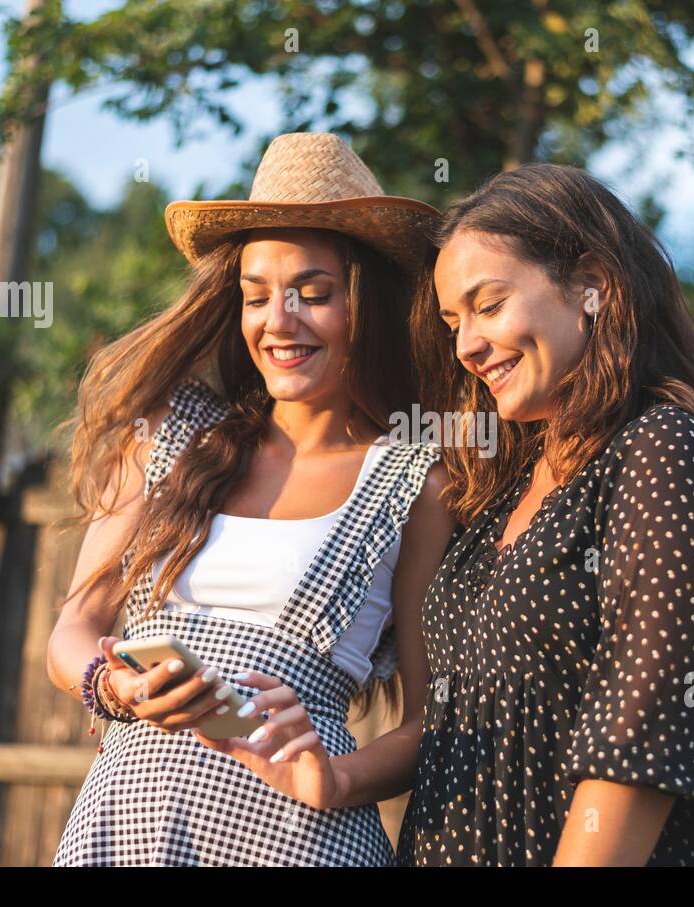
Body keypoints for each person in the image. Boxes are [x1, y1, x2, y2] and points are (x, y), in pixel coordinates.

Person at [48, 132, 454, 866]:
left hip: (300, 841)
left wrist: (335, 780)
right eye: (256, 296)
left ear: (366, 301)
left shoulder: (414, 479)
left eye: (314, 293)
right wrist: (116, 687)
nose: (279, 321)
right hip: (128, 825)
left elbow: (428, 722)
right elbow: (74, 625)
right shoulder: (171, 436)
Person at [395, 163, 694, 865]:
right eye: (454, 322)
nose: (466, 346)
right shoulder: (500, 499)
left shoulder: (665, 453)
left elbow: (643, 746)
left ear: (592, 286)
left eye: (488, 305)